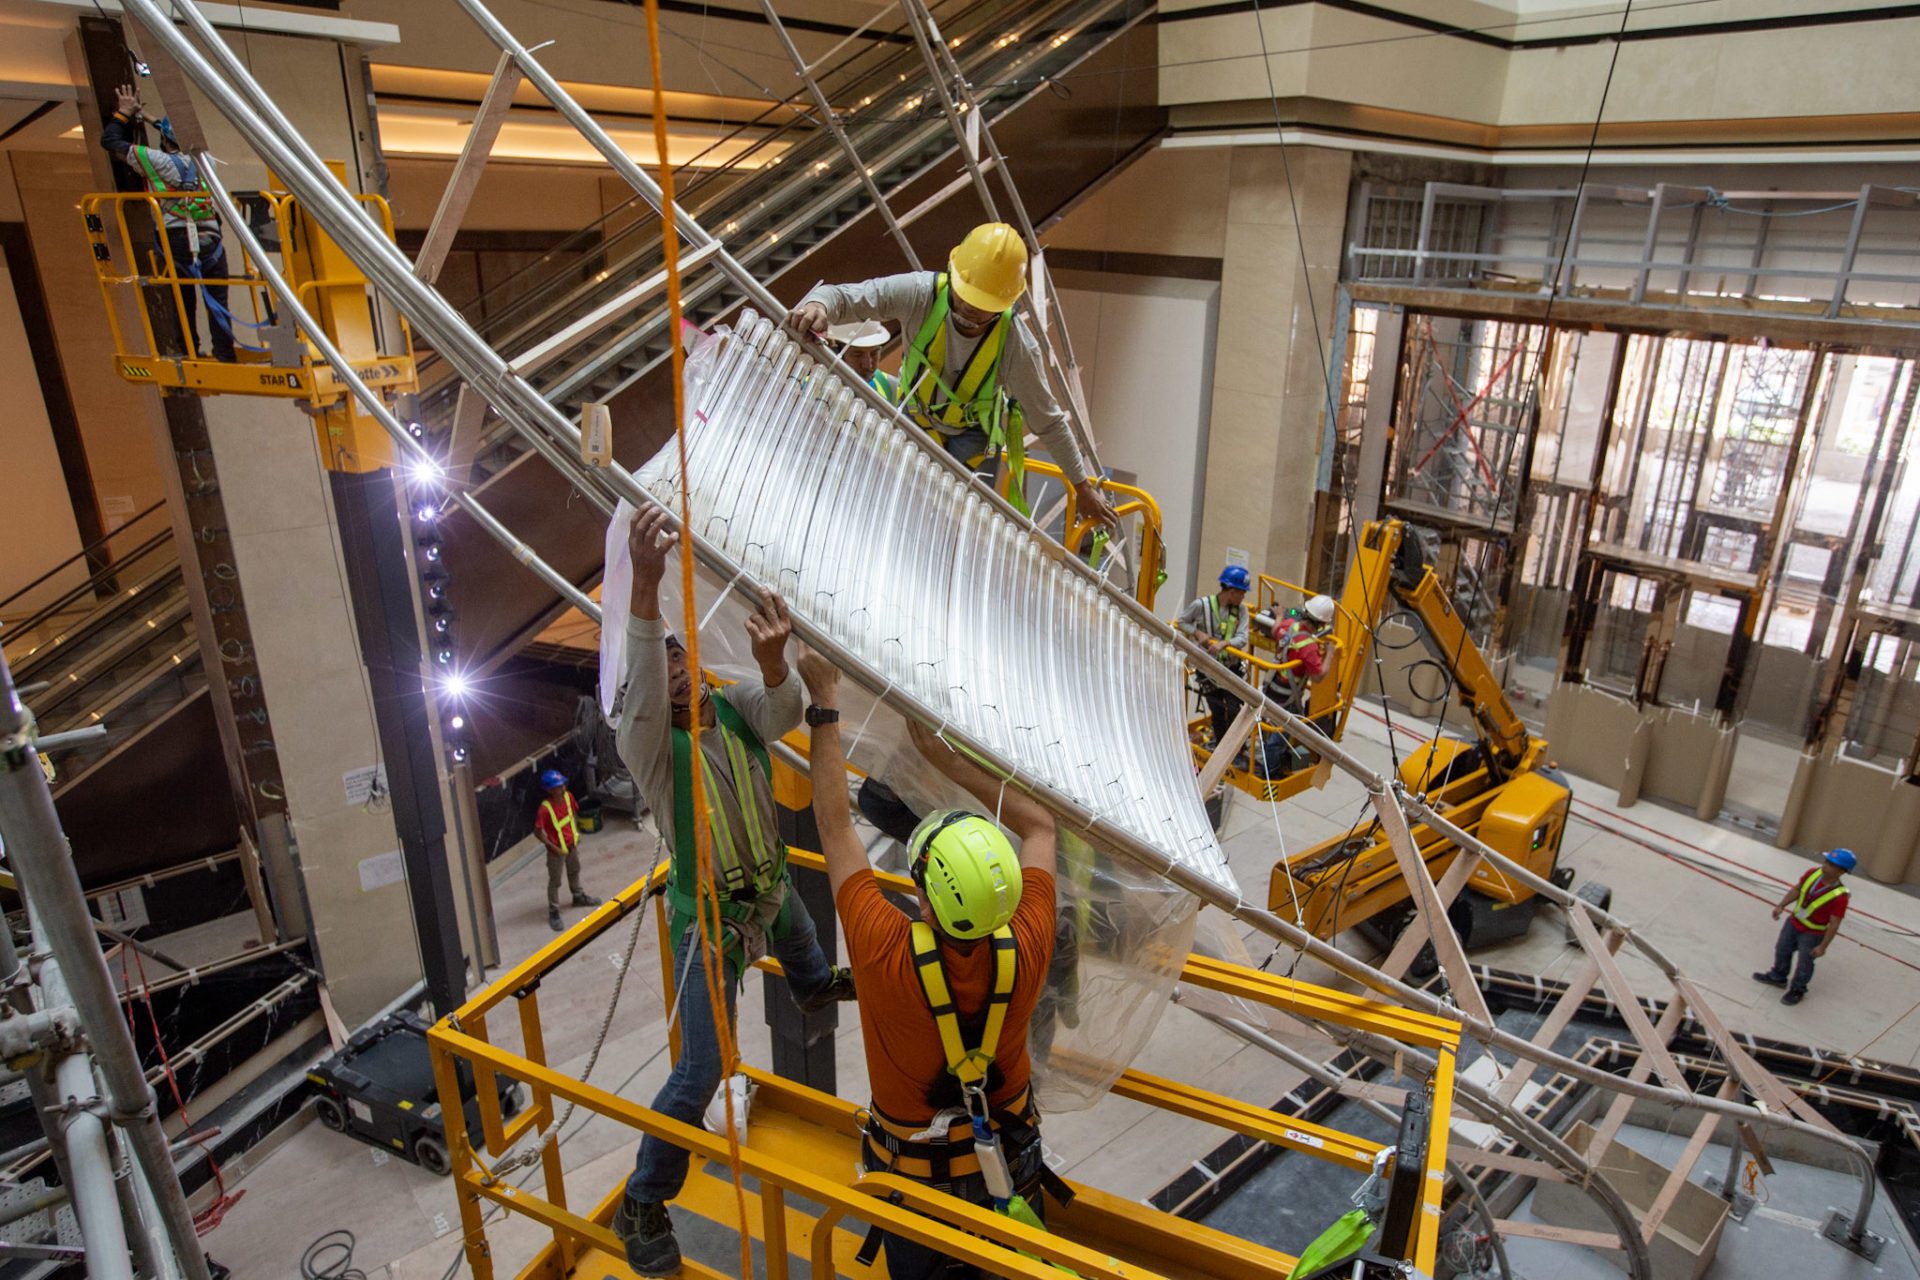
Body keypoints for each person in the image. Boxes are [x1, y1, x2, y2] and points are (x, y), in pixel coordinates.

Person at [611, 505, 855, 1275]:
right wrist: (645, 587)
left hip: (768, 891)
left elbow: (781, 709)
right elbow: (644, 671)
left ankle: (811, 983)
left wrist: (775, 665)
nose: (678, 671)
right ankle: (643, 1200)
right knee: (701, 1070)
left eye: (682, 658)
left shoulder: (731, 709)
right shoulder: (651, 746)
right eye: (663, 667)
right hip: (710, 925)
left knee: (801, 940)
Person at [798, 653, 1065, 1280]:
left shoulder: (884, 950)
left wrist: (824, 703)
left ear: (923, 901)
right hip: (1011, 1176)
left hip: (915, 1195)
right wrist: (952, 761)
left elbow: (834, 827)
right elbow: (1042, 828)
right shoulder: (1028, 941)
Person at [785, 223, 1115, 526]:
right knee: (895, 510)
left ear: (1005, 303)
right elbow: (848, 297)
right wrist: (818, 305)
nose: (971, 308)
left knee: (955, 527)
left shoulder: (1016, 345)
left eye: (984, 304)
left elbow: (1048, 421)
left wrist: (1081, 486)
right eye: (967, 295)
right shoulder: (918, 294)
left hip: (973, 438)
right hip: (914, 417)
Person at [100, 84, 235, 362]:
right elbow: (173, 135)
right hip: (211, 239)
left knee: (182, 300)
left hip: (176, 239)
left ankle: (188, 352)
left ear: (164, 140)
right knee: (218, 301)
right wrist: (149, 118)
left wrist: (124, 113)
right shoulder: (207, 161)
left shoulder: (155, 159)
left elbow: (110, 141)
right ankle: (225, 355)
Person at [1754, 847, 1853, 1006]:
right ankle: (1778, 976)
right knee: (1782, 949)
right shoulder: (1812, 873)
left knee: (1805, 963)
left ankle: (1798, 989)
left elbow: (1834, 924)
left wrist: (1823, 946)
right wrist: (1781, 905)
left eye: (1831, 864)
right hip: (1793, 922)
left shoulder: (1840, 897)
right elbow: (1797, 890)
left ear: (1841, 871)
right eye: (1826, 861)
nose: (1825, 865)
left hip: (1813, 934)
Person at [1179, 566, 1251, 747]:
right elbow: (1182, 621)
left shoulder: (1241, 611)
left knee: (1234, 708)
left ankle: (1235, 747)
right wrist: (1197, 633)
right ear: (1232, 591)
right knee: (1217, 709)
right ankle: (1221, 746)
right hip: (1207, 668)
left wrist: (1224, 643)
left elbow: (1243, 637)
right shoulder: (1201, 606)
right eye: (1242, 593)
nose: (1243, 597)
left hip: (1231, 667)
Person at [534, 768, 599, 932]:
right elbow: (538, 832)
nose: (562, 788)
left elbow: (572, 816)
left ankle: (578, 896)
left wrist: (575, 835)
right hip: (556, 852)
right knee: (555, 881)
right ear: (550, 790)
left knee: (574, 871)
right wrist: (553, 847)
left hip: (571, 846)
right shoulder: (545, 809)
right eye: (558, 787)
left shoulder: (569, 797)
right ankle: (553, 910)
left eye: (563, 785)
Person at [829, 319, 896, 396]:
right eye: (858, 355)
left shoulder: (890, 387)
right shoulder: (820, 381)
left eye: (874, 353)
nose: (868, 365)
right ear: (837, 352)